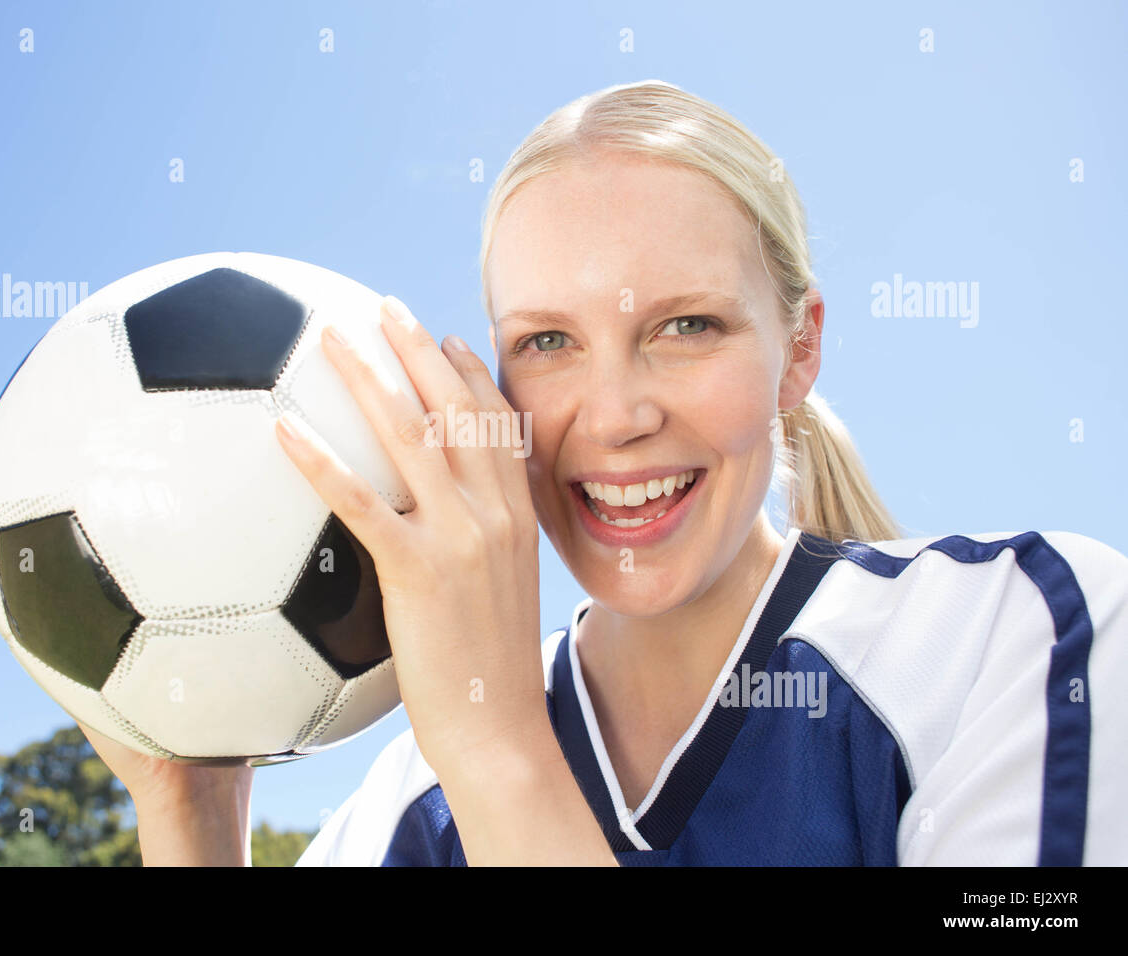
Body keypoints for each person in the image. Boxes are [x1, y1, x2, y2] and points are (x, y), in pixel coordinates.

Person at [81, 79, 1128, 866]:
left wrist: (500, 755)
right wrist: (192, 808)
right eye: (545, 342)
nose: (617, 417)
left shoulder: (1014, 634)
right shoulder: (410, 793)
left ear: (798, 349)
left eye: (685, 325)